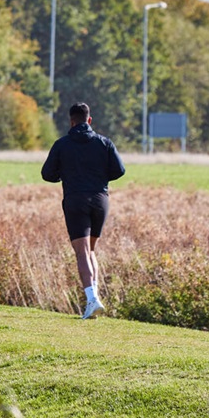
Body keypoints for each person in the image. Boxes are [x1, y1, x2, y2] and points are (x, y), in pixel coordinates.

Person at [40, 102, 126, 318]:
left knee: (81, 252)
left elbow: (47, 174)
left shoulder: (62, 144)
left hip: (75, 200)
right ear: (89, 120)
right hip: (100, 200)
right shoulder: (104, 142)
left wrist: (65, 174)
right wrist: (99, 176)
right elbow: (119, 170)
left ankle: (92, 299)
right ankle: (94, 297)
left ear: (71, 121)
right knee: (91, 250)